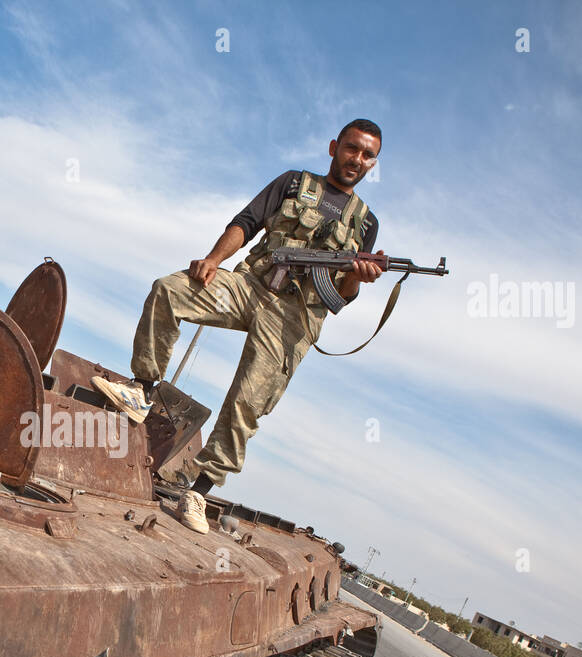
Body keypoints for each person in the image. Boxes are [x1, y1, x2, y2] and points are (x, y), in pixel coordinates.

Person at [93, 119, 387, 534]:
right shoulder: (294, 182)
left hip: (295, 316)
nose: (357, 159)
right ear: (334, 146)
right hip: (251, 285)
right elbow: (247, 221)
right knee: (169, 290)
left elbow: (341, 296)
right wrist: (213, 259)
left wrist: (359, 275)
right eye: (352, 148)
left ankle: (198, 490)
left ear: (374, 163)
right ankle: (141, 390)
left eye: (367, 155)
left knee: (247, 402)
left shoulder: (365, 223)